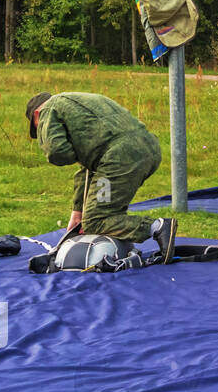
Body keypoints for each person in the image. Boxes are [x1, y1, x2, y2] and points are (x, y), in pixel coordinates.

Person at [25, 91, 177, 263]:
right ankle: (124, 246)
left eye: (38, 128)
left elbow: (57, 152)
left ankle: (156, 228)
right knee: (107, 211)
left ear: (37, 115)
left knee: (96, 220)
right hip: (148, 149)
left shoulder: (48, 109)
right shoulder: (78, 101)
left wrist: (71, 152)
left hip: (119, 158)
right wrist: (78, 211)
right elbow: (87, 169)